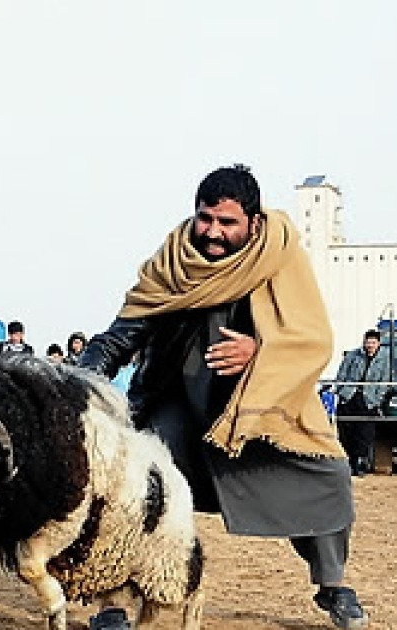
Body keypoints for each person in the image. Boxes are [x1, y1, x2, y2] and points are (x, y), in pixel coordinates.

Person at [79, 165, 366, 629]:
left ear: (252, 223)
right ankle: (111, 605)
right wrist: (79, 382)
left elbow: (310, 338)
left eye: (226, 223)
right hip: (176, 408)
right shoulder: (171, 266)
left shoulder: (280, 258)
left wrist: (261, 351)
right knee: (124, 486)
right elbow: (121, 334)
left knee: (327, 472)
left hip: (256, 410)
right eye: (205, 219)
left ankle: (332, 585)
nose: (213, 232)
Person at [334, 330, 392, 475]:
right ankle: (348, 463)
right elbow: (342, 374)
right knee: (346, 432)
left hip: (368, 400)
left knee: (364, 433)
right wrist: (342, 391)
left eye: (373, 342)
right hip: (349, 397)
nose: (370, 345)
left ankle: (360, 463)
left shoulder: (384, 359)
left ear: (378, 343)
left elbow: (384, 381)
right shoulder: (353, 355)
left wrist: (376, 400)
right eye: (368, 342)